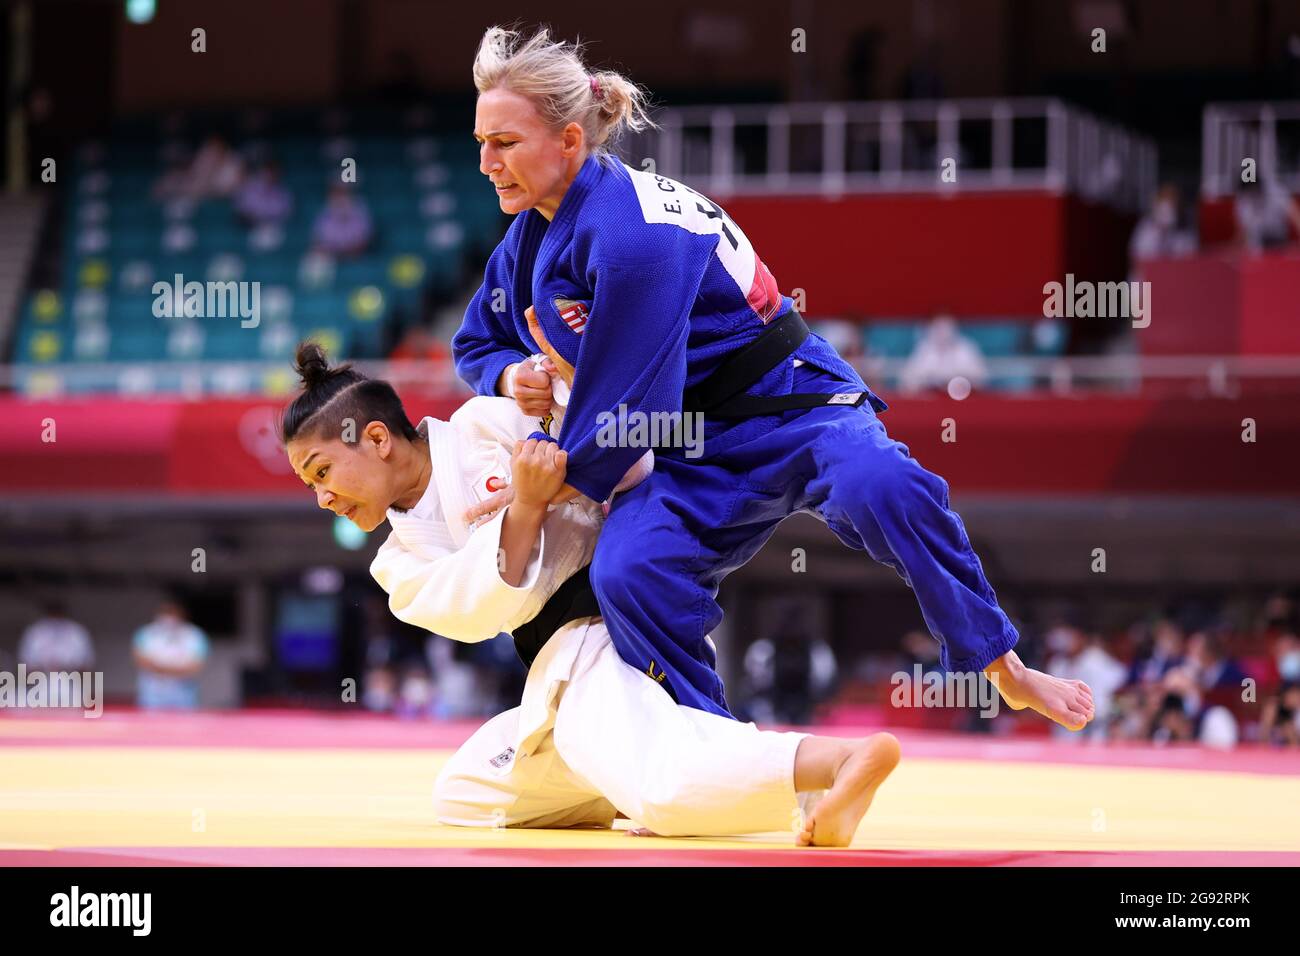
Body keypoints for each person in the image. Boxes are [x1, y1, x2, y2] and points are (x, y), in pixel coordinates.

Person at [453, 25, 1094, 732]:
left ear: (570, 141)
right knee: (630, 573)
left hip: (793, 403)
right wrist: (513, 376)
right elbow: (476, 341)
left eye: (504, 143)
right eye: (481, 141)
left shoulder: (632, 233)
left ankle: (1002, 665)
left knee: (886, 485)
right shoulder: (529, 239)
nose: (486, 162)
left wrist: (539, 493)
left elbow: (635, 405)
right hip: (695, 443)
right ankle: (711, 754)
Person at [280, 341, 900, 845]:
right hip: (551, 664)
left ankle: (831, 764)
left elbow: (618, 448)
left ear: (379, 438)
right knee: (465, 792)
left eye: (323, 471)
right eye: (312, 484)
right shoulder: (397, 559)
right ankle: (617, 767)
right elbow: (473, 615)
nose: (323, 497)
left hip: (608, 619)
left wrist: (565, 405)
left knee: (664, 794)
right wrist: (526, 505)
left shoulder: (480, 425)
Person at [132, 602, 209, 710]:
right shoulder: (146, 633)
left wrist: (162, 670)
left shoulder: (195, 635)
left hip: (183, 694)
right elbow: (140, 660)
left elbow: (196, 666)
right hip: (152, 694)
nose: (169, 618)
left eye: (172, 613)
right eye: (165, 613)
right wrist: (173, 670)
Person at [897, 315, 989, 394]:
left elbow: (981, 378)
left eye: (946, 324)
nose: (943, 330)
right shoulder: (923, 348)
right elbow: (907, 381)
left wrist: (959, 378)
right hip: (931, 401)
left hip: (961, 399)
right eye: (938, 325)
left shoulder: (966, 346)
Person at [18, 599, 95, 675]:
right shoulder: (35, 631)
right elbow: (25, 665)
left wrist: (65, 669)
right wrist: (46, 669)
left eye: (58, 614)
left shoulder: (77, 632)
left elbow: (87, 666)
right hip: (39, 682)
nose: (55, 619)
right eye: (53, 614)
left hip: (71, 682)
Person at [311, 183, 373, 257]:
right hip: (331, 258)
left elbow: (365, 243)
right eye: (336, 194)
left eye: (343, 194)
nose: (340, 199)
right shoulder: (324, 214)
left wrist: (344, 254)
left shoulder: (361, 213)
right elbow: (317, 242)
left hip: (356, 258)